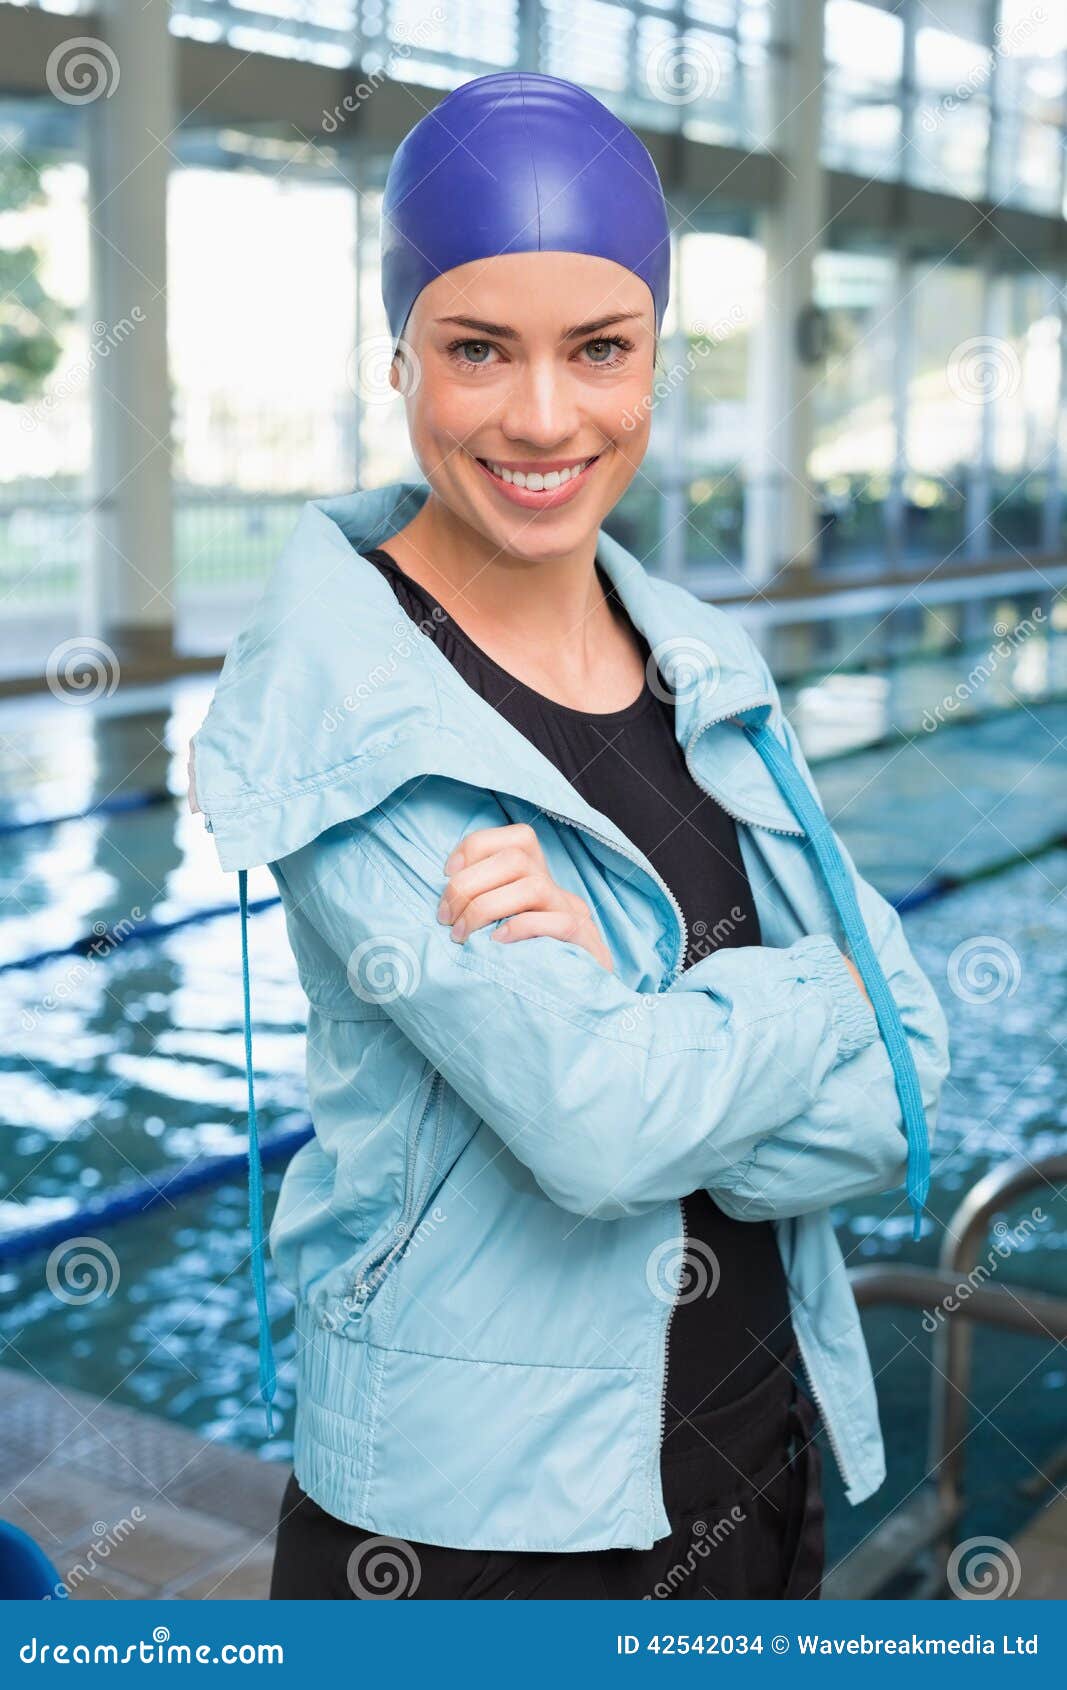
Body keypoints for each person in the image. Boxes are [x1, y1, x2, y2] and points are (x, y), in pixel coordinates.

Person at [188, 70, 950, 1600]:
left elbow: (912, 1092)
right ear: (399, 355)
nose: (544, 417)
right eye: (479, 350)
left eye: (598, 349)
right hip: (468, 1542)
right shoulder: (346, 694)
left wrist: (654, 1009)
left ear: (656, 353)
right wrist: (830, 993)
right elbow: (601, 1129)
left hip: (758, 1472)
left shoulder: (702, 658)